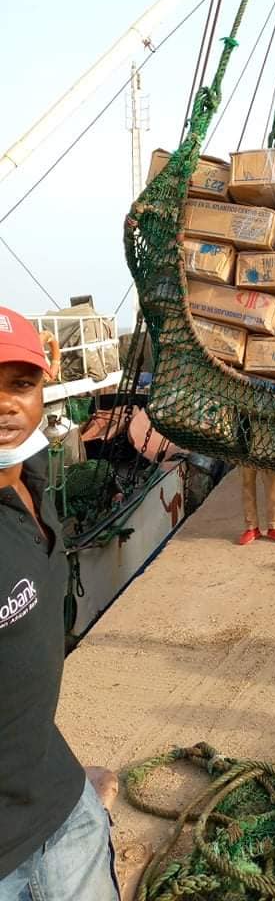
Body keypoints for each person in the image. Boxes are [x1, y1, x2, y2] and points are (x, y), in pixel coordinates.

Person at [0, 307, 120, 901]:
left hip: (65, 803)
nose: (4, 404)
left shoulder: (33, 477)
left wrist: (65, 776)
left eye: (19, 383)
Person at [237, 466, 275, 545]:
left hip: (267, 454)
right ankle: (251, 527)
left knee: (273, 482)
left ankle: (274, 526)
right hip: (245, 454)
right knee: (246, 482)